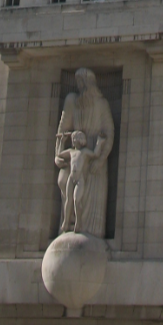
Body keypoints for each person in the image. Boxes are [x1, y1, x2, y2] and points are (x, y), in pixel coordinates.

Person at [54, 68, 114, 237]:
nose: (80, 87)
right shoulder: (72, 101)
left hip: (93, 159)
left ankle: (87, 231)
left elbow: (109, 133)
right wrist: (57, 155)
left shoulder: (101, 104)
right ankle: (67, 225)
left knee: (84, 193)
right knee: (62, 181)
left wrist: (101, 159)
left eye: (82, 83)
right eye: (78, 83)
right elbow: (62, 132)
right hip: (74, 156)